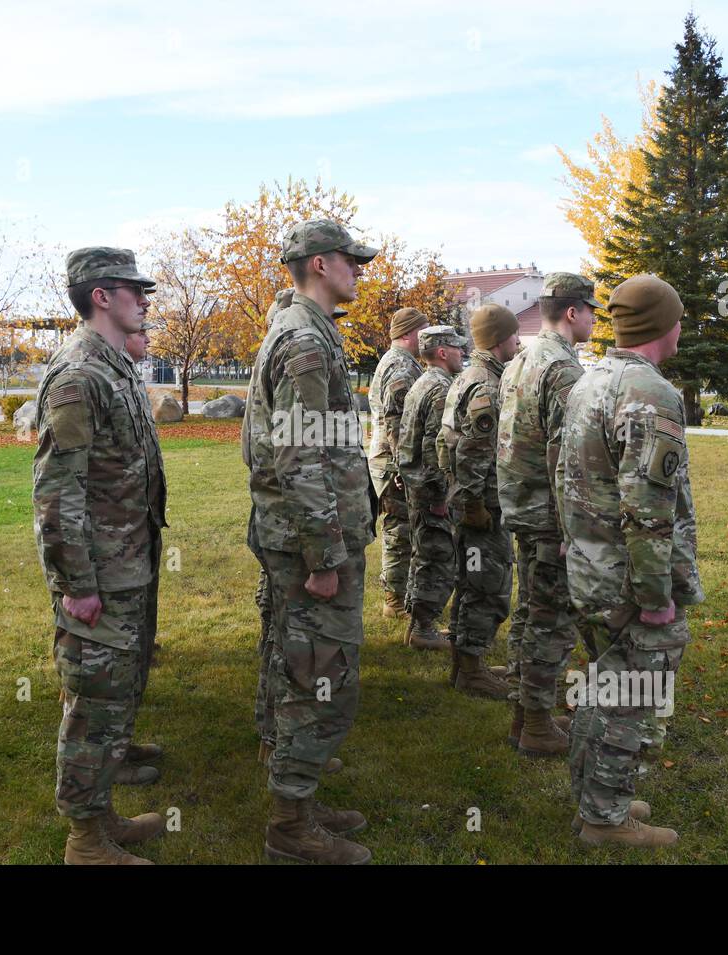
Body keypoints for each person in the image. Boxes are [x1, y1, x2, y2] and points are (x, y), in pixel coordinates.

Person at [244, 219, 377, 864]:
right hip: (310, 542)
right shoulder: (303, 340)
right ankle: (291, 829)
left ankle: (298, 796)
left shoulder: (307, 330)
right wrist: (324, 555)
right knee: (319, 673)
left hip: (298, 534)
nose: (360, 271)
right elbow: (301, 455)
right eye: (353, 261)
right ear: (321, 264)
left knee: (299, 664)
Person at [33, 247, 169, 865]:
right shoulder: (79, 376)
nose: (143, 299)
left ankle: (104, 816)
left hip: (128, 564)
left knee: (115, 696)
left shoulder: (114, 367)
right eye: (132, 289)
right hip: (99, 575)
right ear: (100, 297)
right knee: (92, 705)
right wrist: (75, 583)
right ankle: (85, 843)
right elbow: (59, 490)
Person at [559, 273, 704, 848]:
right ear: (662, 324)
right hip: (627, 580)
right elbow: (648, 508)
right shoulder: (649, 392)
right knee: (632, 697)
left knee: (603, 688)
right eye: (678, 318)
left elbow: (564, 475)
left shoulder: (590, 382)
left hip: (591, 569)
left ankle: (597, 799)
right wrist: (655, 597)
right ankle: (605, 822)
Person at [497, 273, 597, 755]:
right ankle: (536, 724)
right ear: (573, 312)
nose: (597, 319)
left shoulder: (521, 360)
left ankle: (524, 715)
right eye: (592, 310)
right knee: (550, 620)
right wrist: (569, 526)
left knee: (529, 611)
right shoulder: (562, 370)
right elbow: (565, 455)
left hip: (521, 503)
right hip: (549, 514)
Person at [439, 304, 520, 699]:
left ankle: (464, 666)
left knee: (470, 581)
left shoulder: (466, 377)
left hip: (467, 499)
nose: (519, 342)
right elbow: (472, 449)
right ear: (500, 338)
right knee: (487, 585)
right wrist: (473, 503)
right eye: (515, 336)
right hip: (481, 506)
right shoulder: (486, 384)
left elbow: (444, 443)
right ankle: (471, 669)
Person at [397, 325, 468, 652]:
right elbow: (434, 446)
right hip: (430, 489)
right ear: (442, 352)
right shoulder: (441, 390)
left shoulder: (423, 383)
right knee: (438, 558)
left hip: (418, 485)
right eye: (457, 348)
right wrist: (441, 495)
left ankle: (418, 624)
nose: (462, 353)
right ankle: (424, 629)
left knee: (424, 554)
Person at [367, 307, 429, 619]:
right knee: (400, 531)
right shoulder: (401, 368)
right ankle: (394, 601)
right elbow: (396, 422)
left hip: (391, 461)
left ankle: (402, 595)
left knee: (402, 529)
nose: (427, 336)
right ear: (407, 333)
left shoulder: (399, 362)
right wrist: (403, 465)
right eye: (423, 330)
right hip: (394, 465)